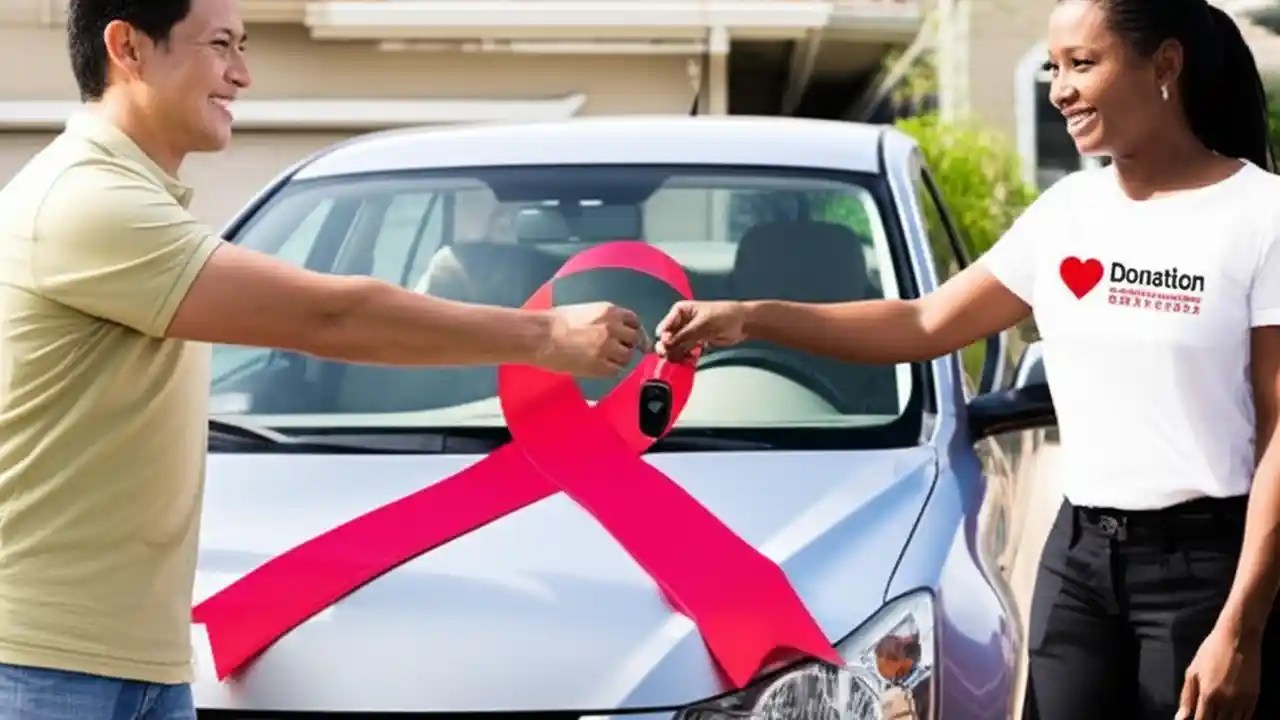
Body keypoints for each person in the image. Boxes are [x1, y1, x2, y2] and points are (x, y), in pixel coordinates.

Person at [0, 0, 643, 717]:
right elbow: (328, 316)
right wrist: (547, 338)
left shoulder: (133, 202)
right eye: (221, 46)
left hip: (123, 658)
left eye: (242, 47)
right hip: (48, 666)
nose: (242, 75)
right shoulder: (86, 202)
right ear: (128, 46)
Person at [656, 0, 1280, 718]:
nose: (1059, 89)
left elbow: (1277, 433)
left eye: (1083, 64)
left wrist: (1243, 621)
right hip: (1078, 561)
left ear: (1165, 65)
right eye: (1054, 67)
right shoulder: (1067, 211)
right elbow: (924, 322)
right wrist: (753, 318)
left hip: (1205, 571)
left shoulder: (1261, 216)